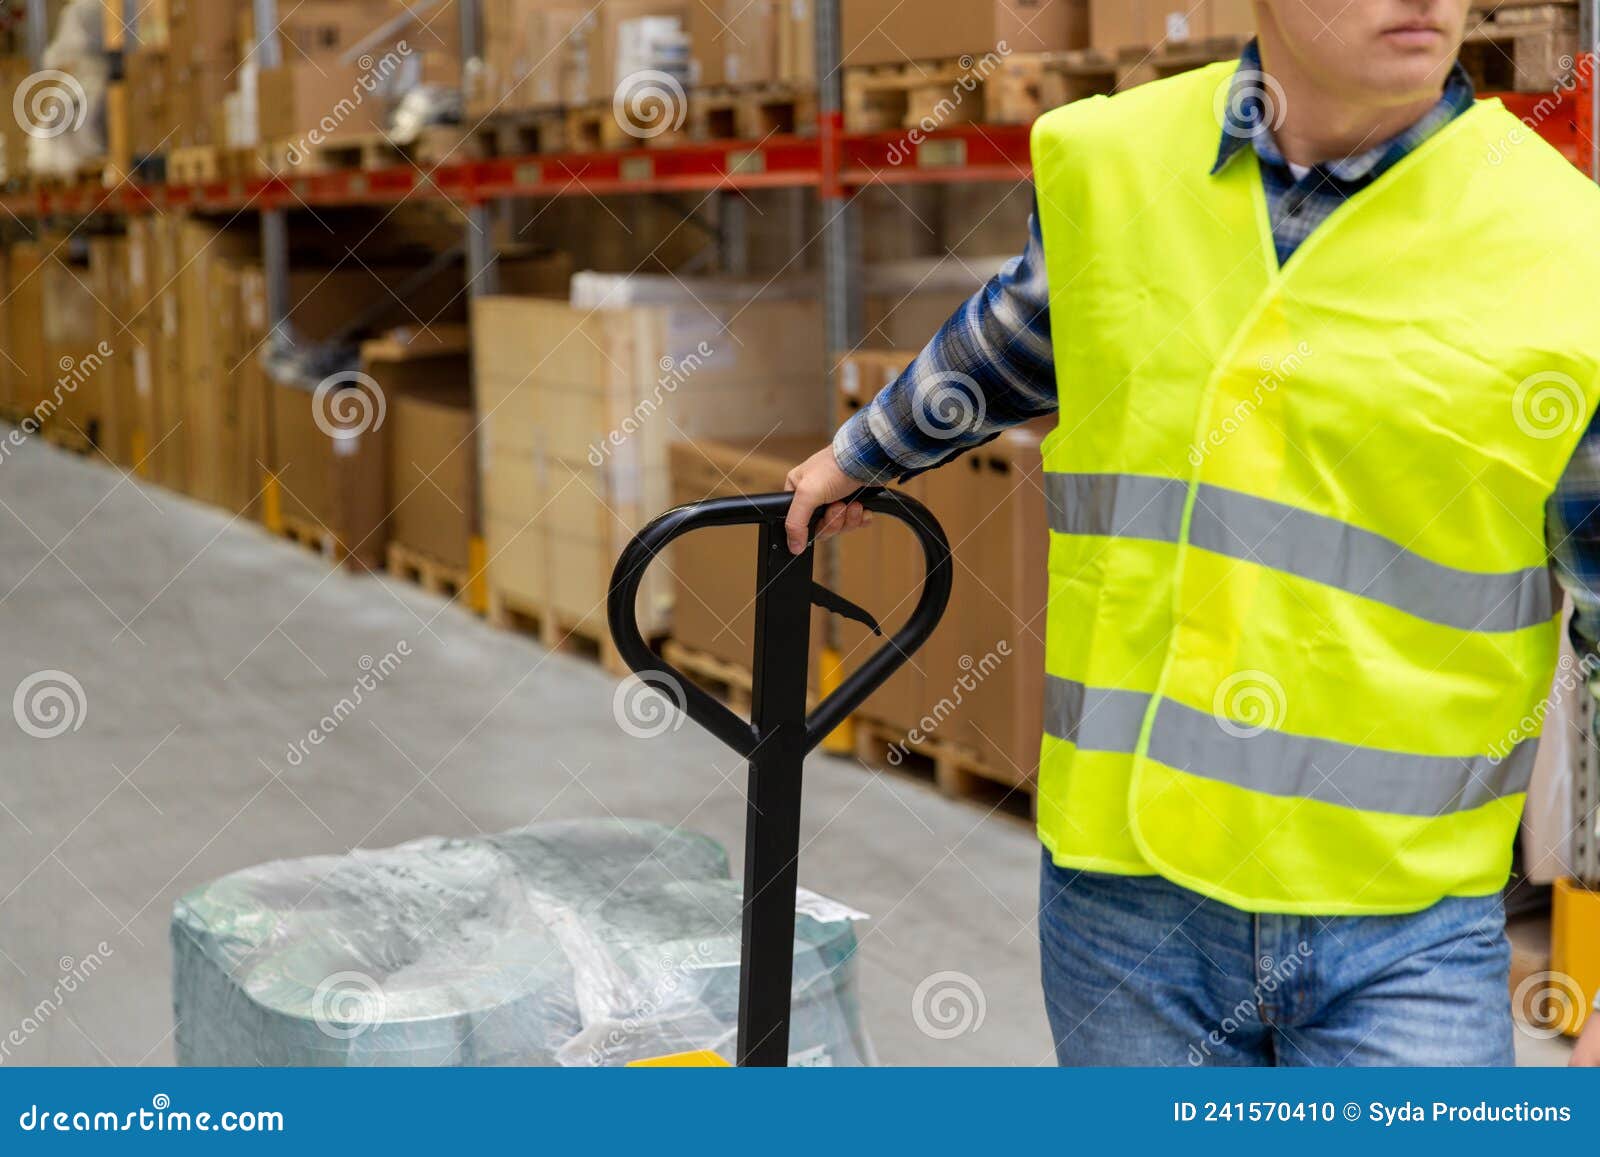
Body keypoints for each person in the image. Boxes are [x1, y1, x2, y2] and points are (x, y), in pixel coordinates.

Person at [785, 0, 1600, 1066]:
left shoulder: (1563, 246)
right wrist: (865, 450)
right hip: (1123, 909)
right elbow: (1032, 326)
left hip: (1402, 923)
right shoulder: (1112, 161)